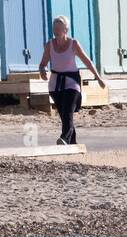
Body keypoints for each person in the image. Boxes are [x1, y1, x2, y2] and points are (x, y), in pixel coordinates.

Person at [37, 15, 104, 145]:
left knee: (68, 110)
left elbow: (87, 62)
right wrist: (42, 70)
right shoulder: (49, 45)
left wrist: (98, 78)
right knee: (63, 113)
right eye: (54, 29)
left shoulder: (73, 44)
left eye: (59, 29)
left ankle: (64, 138)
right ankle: (72, 141)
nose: (56, 32)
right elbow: (42, 63)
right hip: (55, 83)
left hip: (72, 81)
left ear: (66, 30)